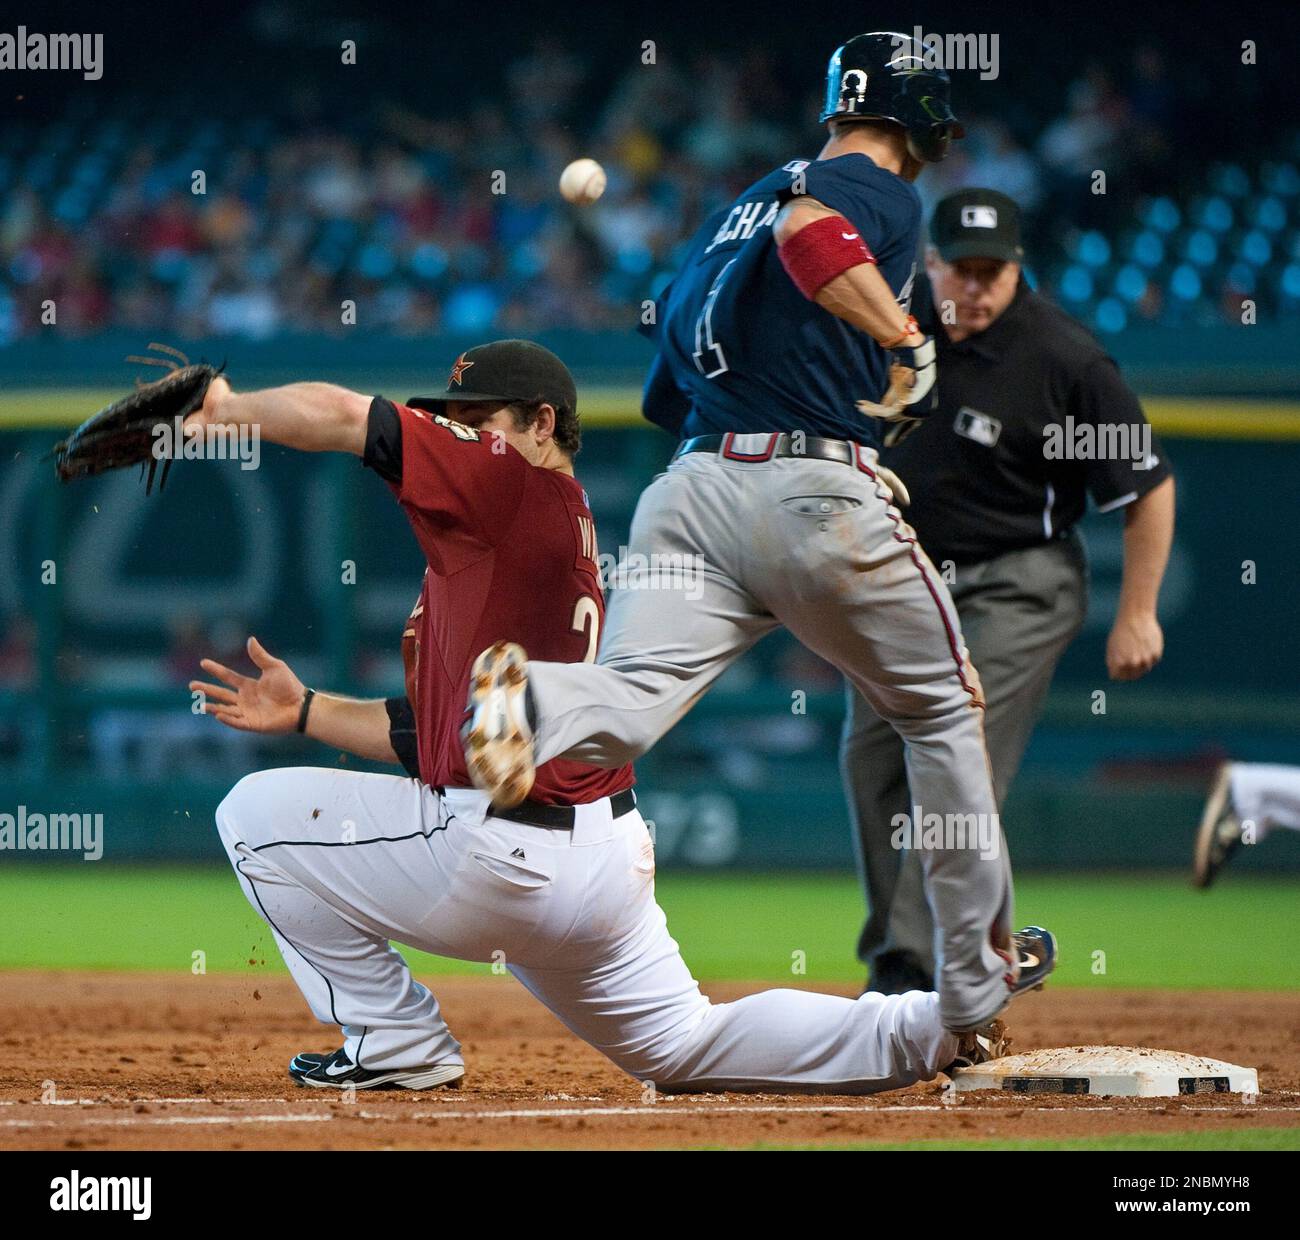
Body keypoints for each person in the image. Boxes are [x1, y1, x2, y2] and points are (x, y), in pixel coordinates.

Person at [188, 338, 1051, 1094]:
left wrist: (226, 410)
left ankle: (395, 1040)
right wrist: (305, 710)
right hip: (603, 865)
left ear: (539, 424)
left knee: (252, 818)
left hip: (499, 856)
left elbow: (345, 416)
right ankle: (936, 1025)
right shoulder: (546, 531)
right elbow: (431, 736)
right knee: (684, 1044)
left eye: (475, 416)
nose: (457, 431)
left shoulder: (506, 488)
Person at [462, 33, 1048, 1036]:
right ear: (913, 116)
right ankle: (973, 974)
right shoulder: (866, 185)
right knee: (945, 710)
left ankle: (536, 694)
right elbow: (815, 234)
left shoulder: (726, 217)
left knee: (636, 697)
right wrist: (902, 343)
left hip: (689, 487)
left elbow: (664, 390)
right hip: (809, 489)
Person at [842, 188, 1175, 992]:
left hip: (1019, 580)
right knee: (873, 763)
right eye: (963, 270)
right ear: (931, 263)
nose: (977, 288)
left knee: (956, 761)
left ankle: (920, 970)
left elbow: (1148, 488)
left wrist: (1137, 613)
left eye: (994, 272)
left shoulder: (1065, 359)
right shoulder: (890, 326)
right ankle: (940, 953)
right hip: (907, 582)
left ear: (1018, 268)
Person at [1195, 761, 1300, 887]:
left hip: (1255, 792)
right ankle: (1230, 827)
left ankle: (1230, 829)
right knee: (1250, 836)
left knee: (1252, 835)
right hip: (1246, 784)